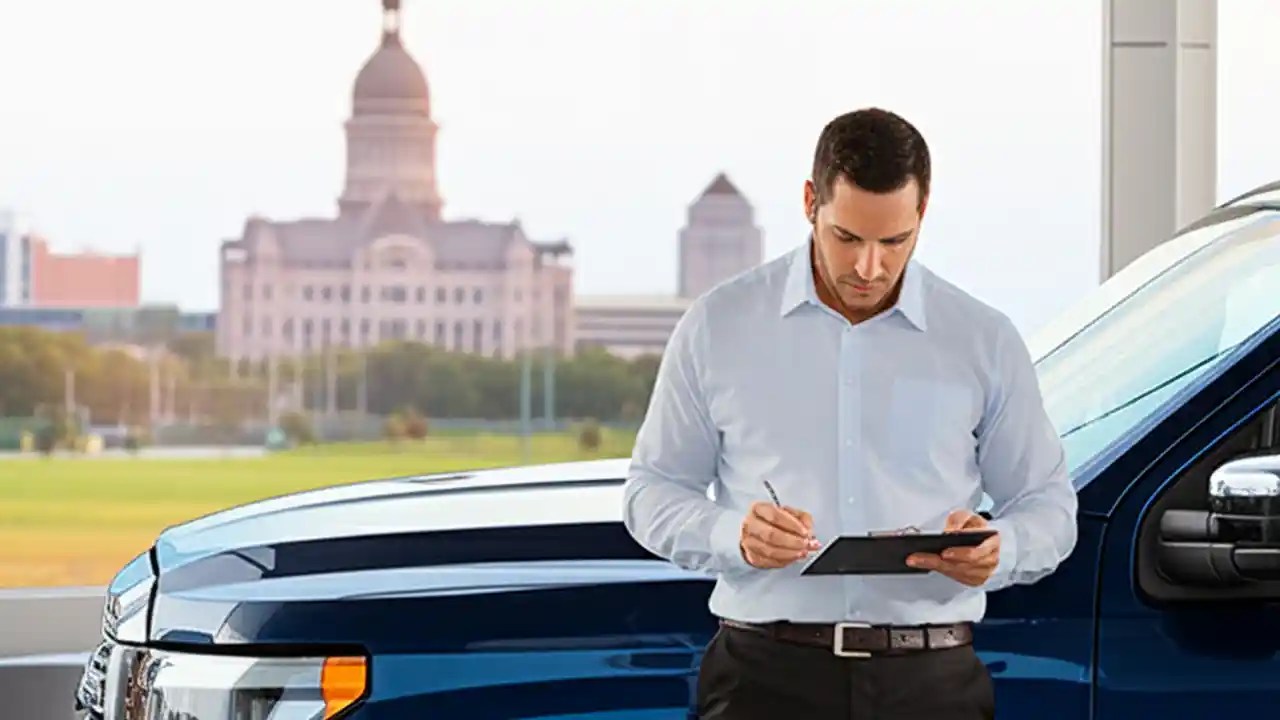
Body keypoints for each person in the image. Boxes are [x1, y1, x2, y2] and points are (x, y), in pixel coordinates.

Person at [622, 107, 1078, 720]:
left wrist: (1004, 547)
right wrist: (734, 536)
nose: (870, 267)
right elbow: (651, 492)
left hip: (932, 686)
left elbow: (1050, 507)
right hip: (761, 682)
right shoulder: (718, 326)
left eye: (894, 242)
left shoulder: (982, 339)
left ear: (922, 213)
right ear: (811, 201)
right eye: (847, 237)